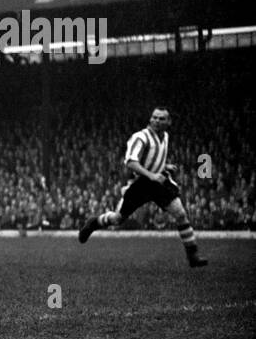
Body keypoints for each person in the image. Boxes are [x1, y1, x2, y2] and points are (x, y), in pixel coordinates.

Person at [78, 107, 207, 266]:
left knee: (180, 214)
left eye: (161, 118)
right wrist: (151, 175)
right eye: (155, 117)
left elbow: (152, 158)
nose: (157, 121)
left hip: (159, 182)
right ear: (150, 119)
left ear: (169, 122)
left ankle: (192, 256)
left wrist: (164, 166)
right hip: (140, 184)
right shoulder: (140, 137)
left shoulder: (165, 136)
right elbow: (131, 162)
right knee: (118, 219)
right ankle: (94, 222)